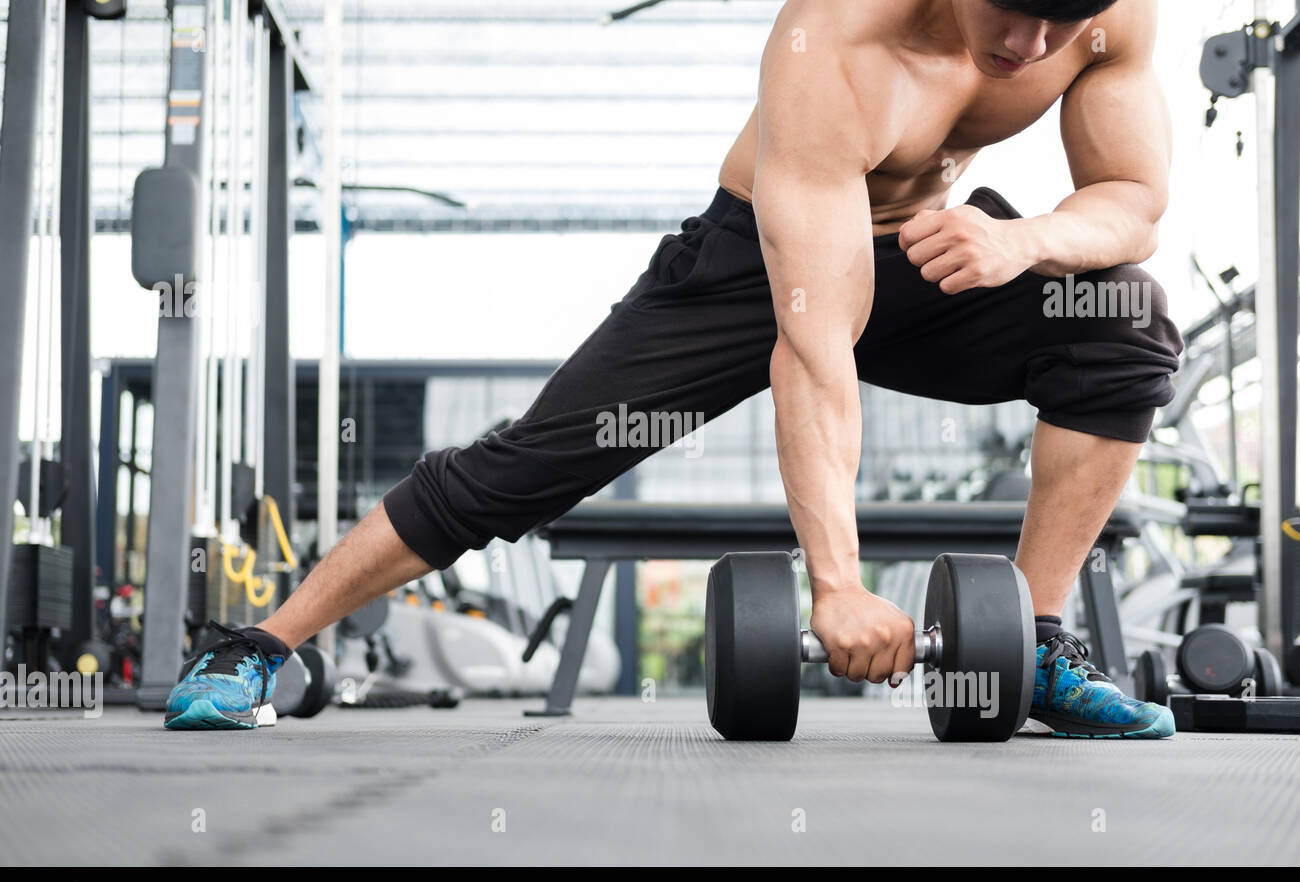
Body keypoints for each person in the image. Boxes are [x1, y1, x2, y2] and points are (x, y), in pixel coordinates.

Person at [166, 0, 1181, 738]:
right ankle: (257, 644)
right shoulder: (835, 44)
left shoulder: (1107, 21)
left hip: (934, 248)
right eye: (1013, 12)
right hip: (759, 264)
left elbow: (1132, 194)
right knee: (520, 469)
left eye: (1061, 25)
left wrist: (1029, 239)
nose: (1030, 48)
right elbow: (814, 349)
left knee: (1122, 320)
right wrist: (835, 584)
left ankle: (1038, 638)